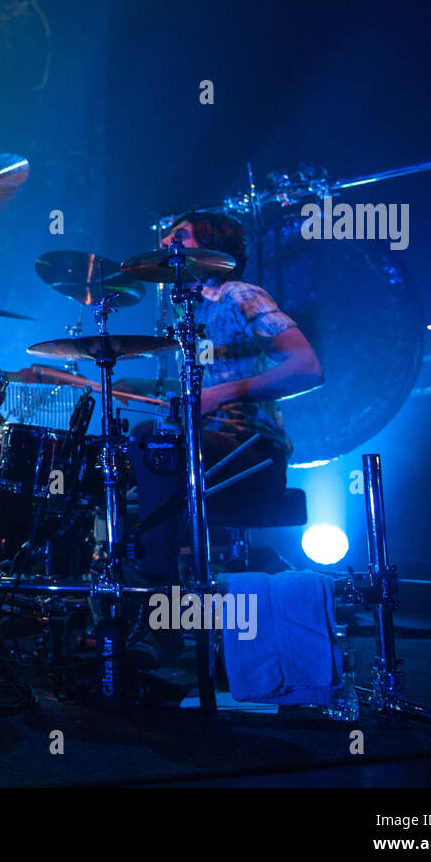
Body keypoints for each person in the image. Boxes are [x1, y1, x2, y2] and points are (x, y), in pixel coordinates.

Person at [128, 211, 324, 584]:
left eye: (180, 237)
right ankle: (131, 580)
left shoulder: (239, 295)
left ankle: (155, 584)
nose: (166, 244)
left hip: (253, 455)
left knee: (152, 440)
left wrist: (221, 395)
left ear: (211, 249)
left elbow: (308, 367)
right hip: (207, 450)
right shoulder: (191, 308)